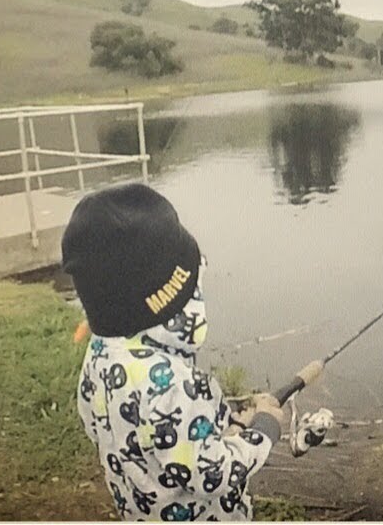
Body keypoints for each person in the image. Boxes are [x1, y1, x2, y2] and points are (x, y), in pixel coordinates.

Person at [64, 182, 288, 521]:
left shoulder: (101, 351)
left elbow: (98, 423)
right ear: (173, 297)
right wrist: (262, 432)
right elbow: (212, 476)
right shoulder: (172, 386)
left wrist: (226, 424)